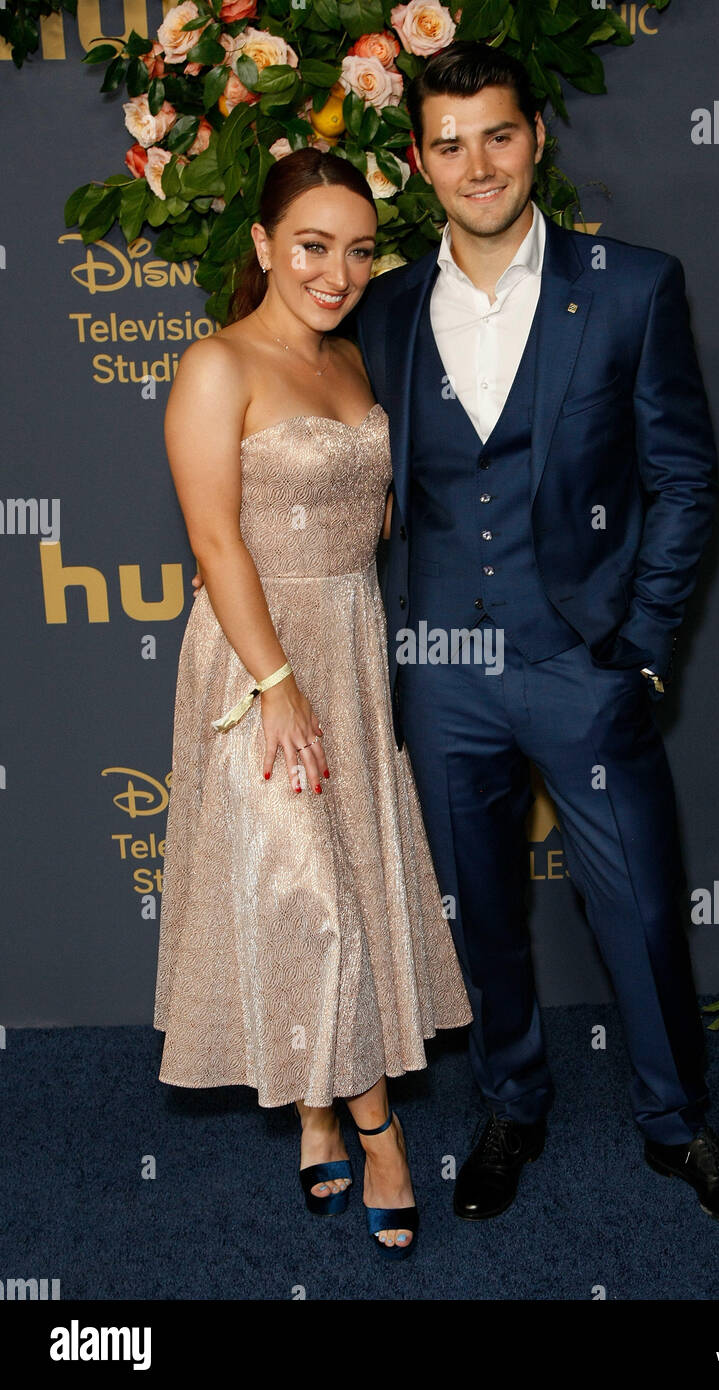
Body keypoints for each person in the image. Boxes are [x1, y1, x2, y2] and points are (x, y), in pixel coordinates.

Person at [353, 41, 719, 1231]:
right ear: (419, 161)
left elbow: (683, 479)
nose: (476, 163)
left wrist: (640, 644)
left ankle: (676, 1123)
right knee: (477, 908)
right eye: (449, 143)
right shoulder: (383, 313)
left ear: (536, 136)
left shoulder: (631, 285)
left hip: (580, 661)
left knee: (637, 908)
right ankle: (510, 1102)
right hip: (442, 674)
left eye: (497, 133)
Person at [153, 147, 473, 1261]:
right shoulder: (216, 366)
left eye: (357, 249)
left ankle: (318, 1108)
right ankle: (379, 1132)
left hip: (349, 637)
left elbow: (369, 508)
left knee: (342, 874)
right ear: (260, 246)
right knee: (309, 893)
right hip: (259, 659)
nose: (336, 272)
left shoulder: (353, 361)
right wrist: (276, 684)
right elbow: (211, 538)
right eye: (310, 246)